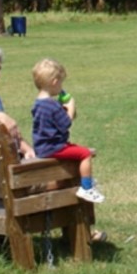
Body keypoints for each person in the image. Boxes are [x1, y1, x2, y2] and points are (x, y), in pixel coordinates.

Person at [31, 58, 105, 203]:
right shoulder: (51, 105)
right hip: (53, 147)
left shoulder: (38, 103)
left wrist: (60, 107)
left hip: (42, 147)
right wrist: (71, 106)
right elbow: (65, 124)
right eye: (61, 82)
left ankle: (85, 178)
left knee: (74, 148)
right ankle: (87, 187)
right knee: (85, 153)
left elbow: (50, 121)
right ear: (54, 82)